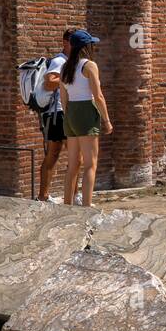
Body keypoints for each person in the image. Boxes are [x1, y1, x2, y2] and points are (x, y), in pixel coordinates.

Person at [60, 29, 113, 207]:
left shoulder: (65, 67)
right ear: (86, 46)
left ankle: (67, 204)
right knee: (91, 164)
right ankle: (87, 206)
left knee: (73, 164)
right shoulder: (89, 65)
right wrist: (106, 120)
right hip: (85, 110)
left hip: (70, 113)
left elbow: (63, 97)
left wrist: (69, 117)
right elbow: (98, 96)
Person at [36, 29, 73, 202]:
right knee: (70, 156)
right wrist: (69, 77)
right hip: (58, 113)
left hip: (61, 113)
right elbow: (50, 82)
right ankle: (68, 197)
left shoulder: (71, 61)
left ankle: (47, 196)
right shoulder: (60, 61)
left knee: (58, 154)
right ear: (66, 43)